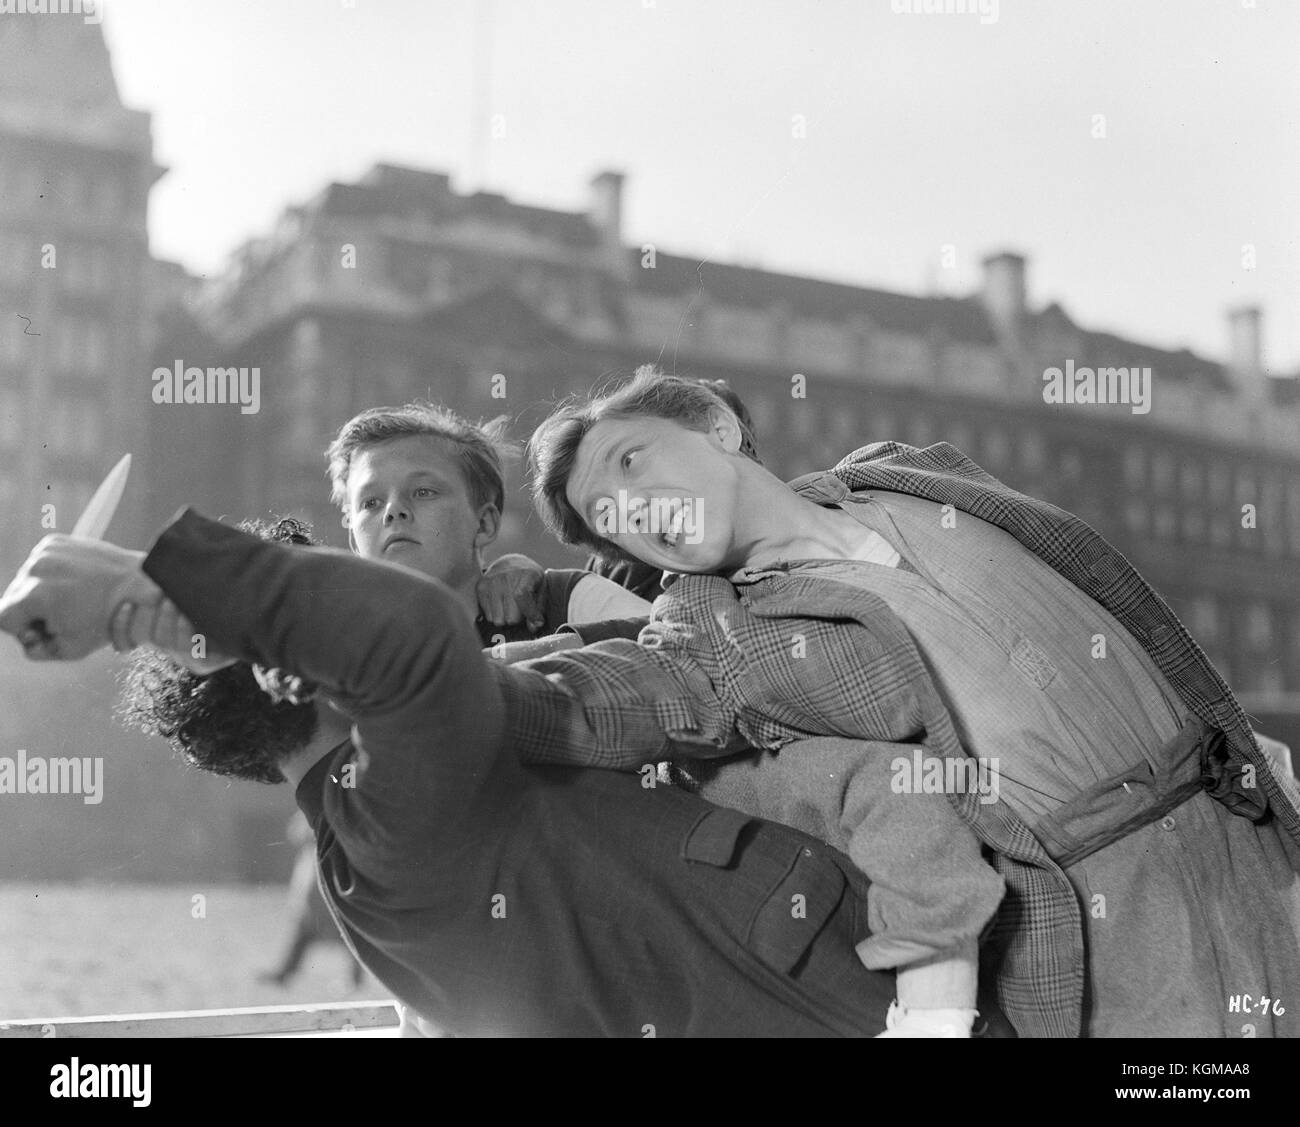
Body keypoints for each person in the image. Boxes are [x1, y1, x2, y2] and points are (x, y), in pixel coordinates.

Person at [513, 365, 1300, 1037]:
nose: (632, 505)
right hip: (1109, 930)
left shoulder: (908, 474)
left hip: (1254, 847)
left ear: (716, 426)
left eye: (631, 459)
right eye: (607, 519)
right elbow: (605, 694)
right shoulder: (711, 632)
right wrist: (424, 671)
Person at [1, 517, 1016, 1037]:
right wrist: (160, 583)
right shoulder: (398, 806)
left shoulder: (370, 854)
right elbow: (414, 636)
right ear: (293, 666)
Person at [325, 402, 651, 642]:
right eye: (371, 502)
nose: (393, 511)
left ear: (484, 525)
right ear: (354, 540)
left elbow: (683, 647)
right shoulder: (336, 653)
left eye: (423, 491)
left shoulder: (561, 601)